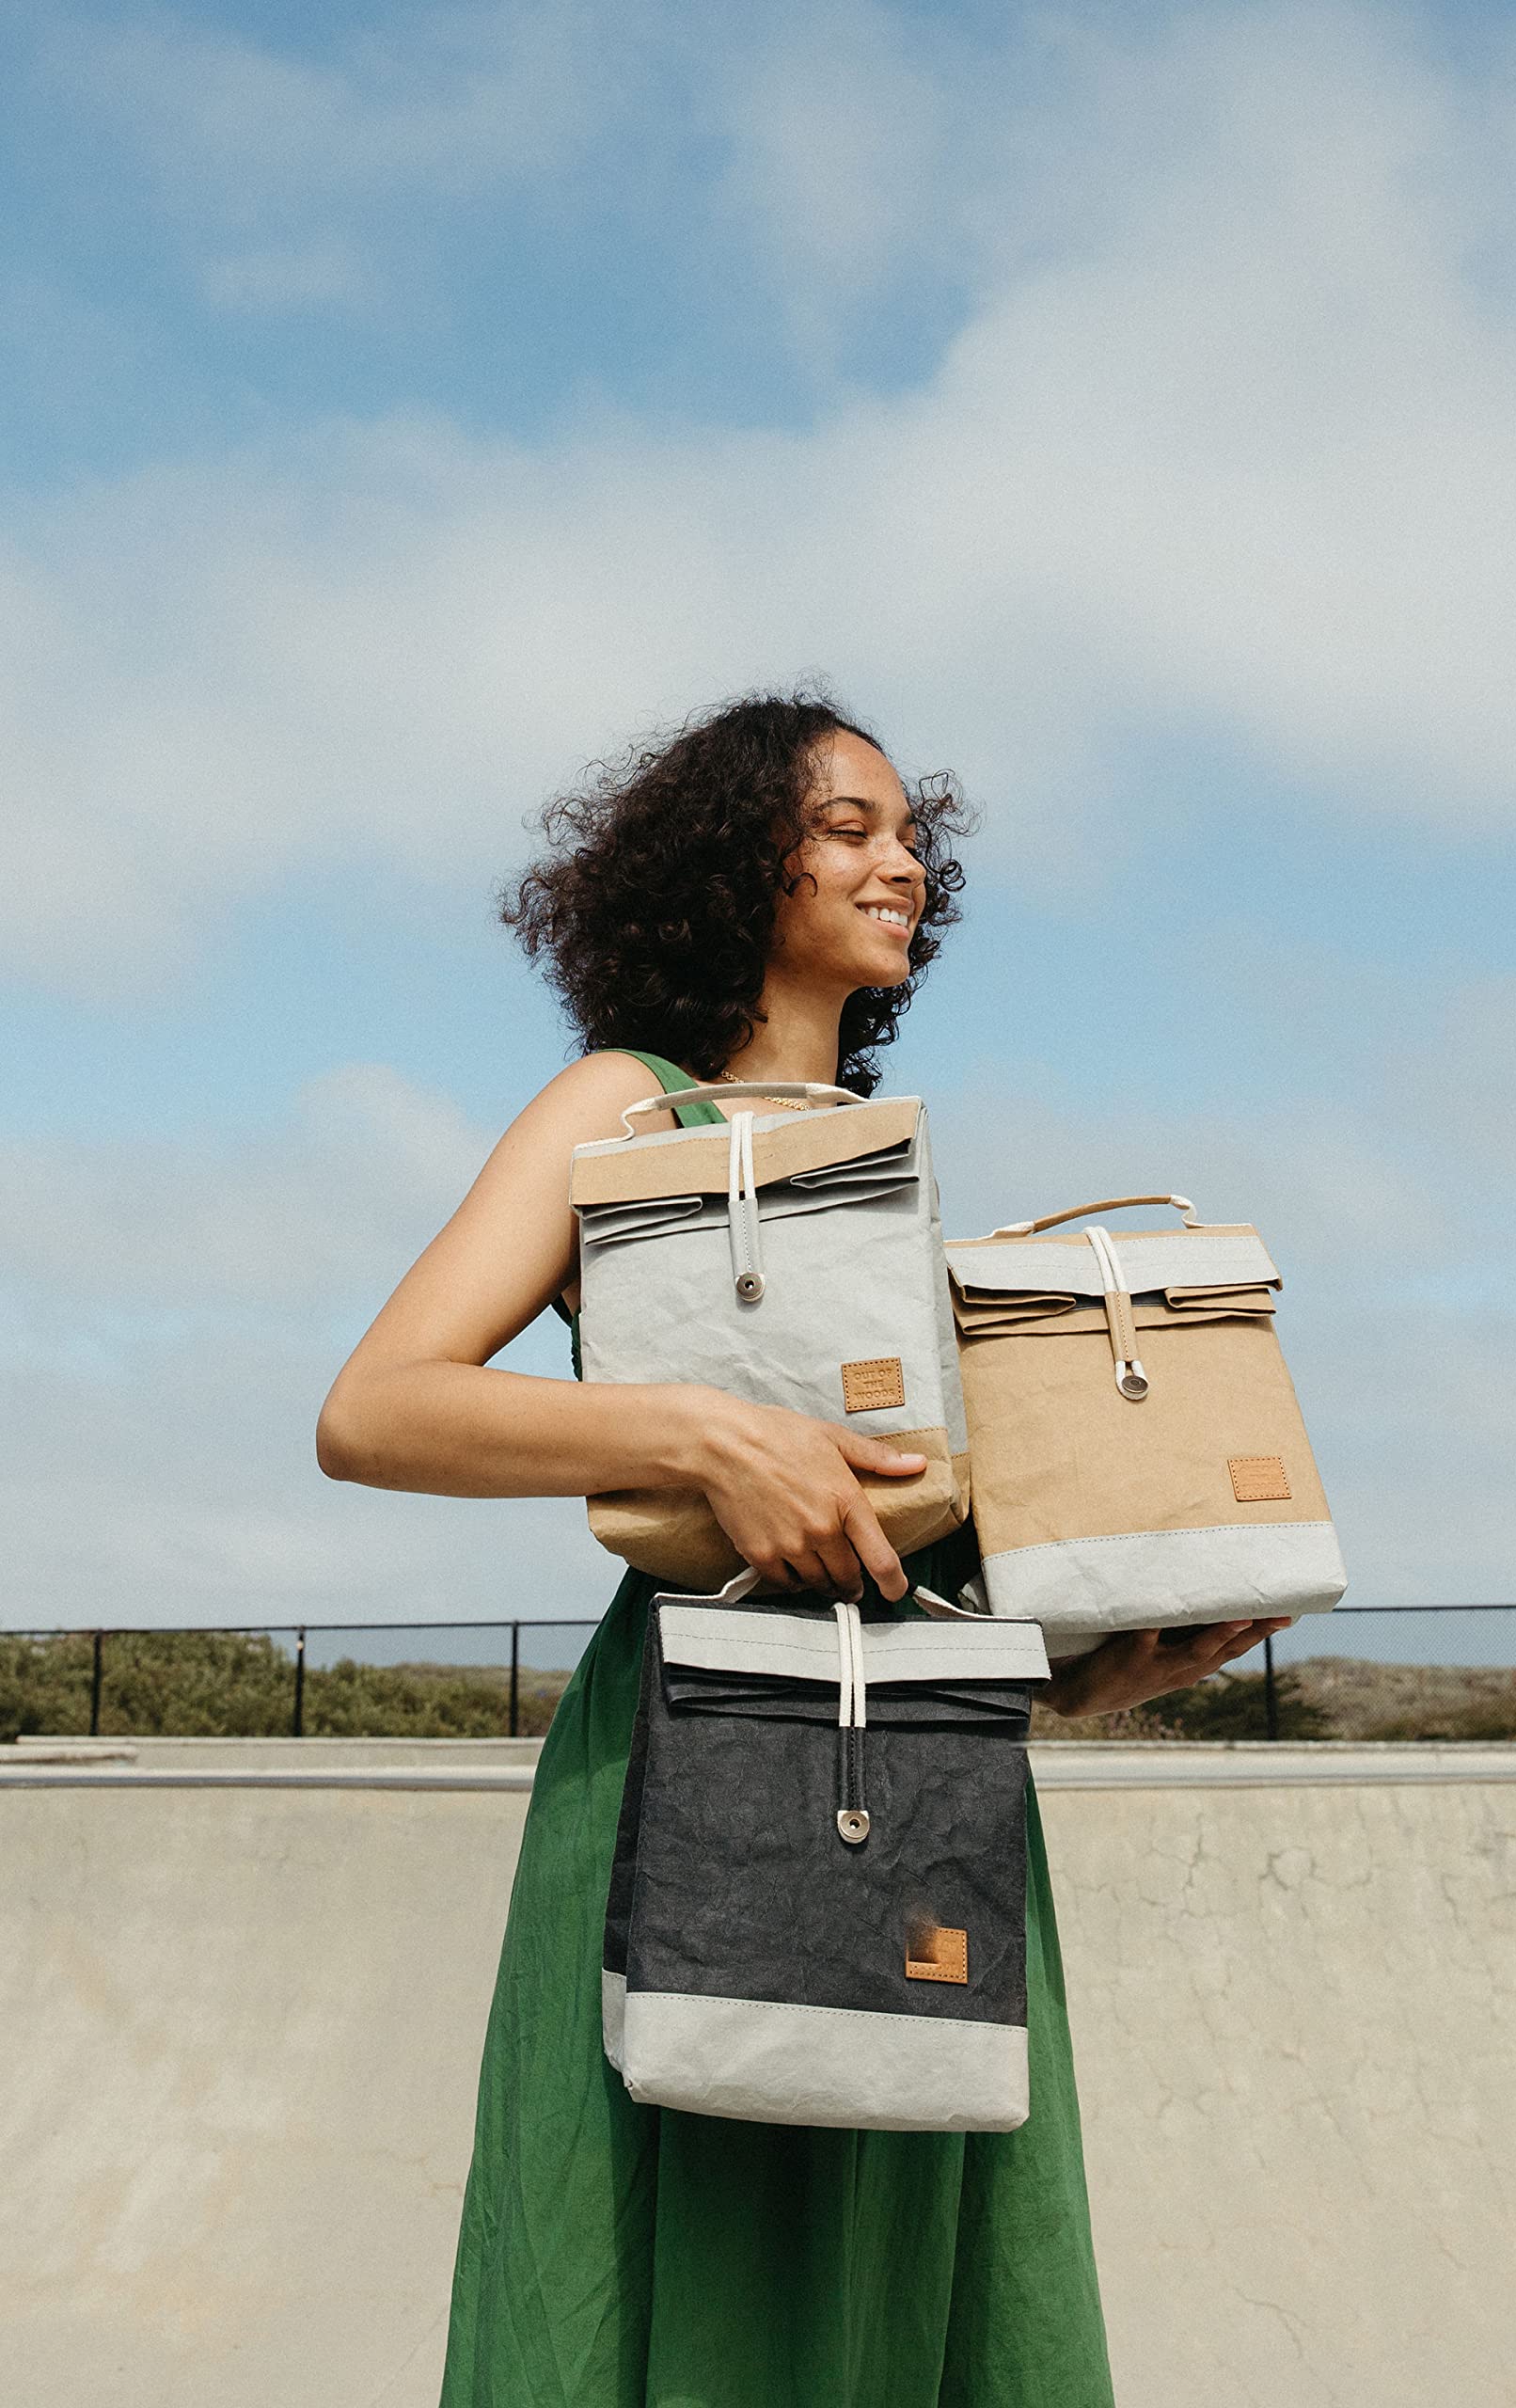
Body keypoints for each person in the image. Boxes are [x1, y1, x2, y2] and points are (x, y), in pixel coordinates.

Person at [317, 691, 1287, 2407]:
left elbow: (897, 1522)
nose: (900, 861)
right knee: (645, 2255)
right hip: (689, 1754)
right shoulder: (626, 1106)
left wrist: (1074, 1670)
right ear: (730, 867)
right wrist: (699, 1433)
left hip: (921, 1772)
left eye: (913, 834)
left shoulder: (889, 1163)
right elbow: (379, 1407)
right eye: (849, 828)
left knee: (915, 2275)